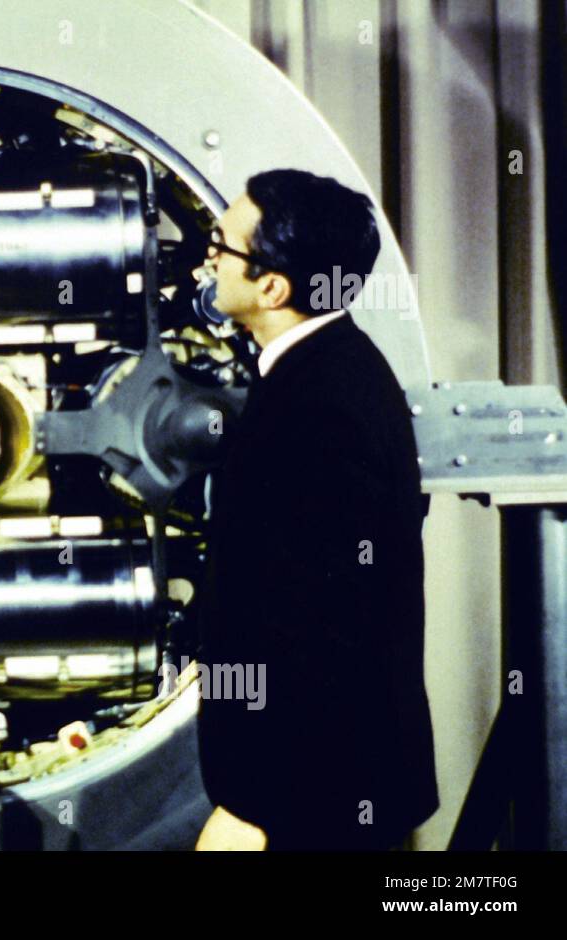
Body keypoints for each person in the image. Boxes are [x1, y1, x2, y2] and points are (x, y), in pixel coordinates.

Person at [192, 169, 440, 851]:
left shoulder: (323, 403)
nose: (209, 256)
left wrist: (258, 808)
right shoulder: (326, 371)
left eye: (222, 244)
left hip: (313, 800)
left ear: (272, 287)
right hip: (321, 791)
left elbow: (326, 627)